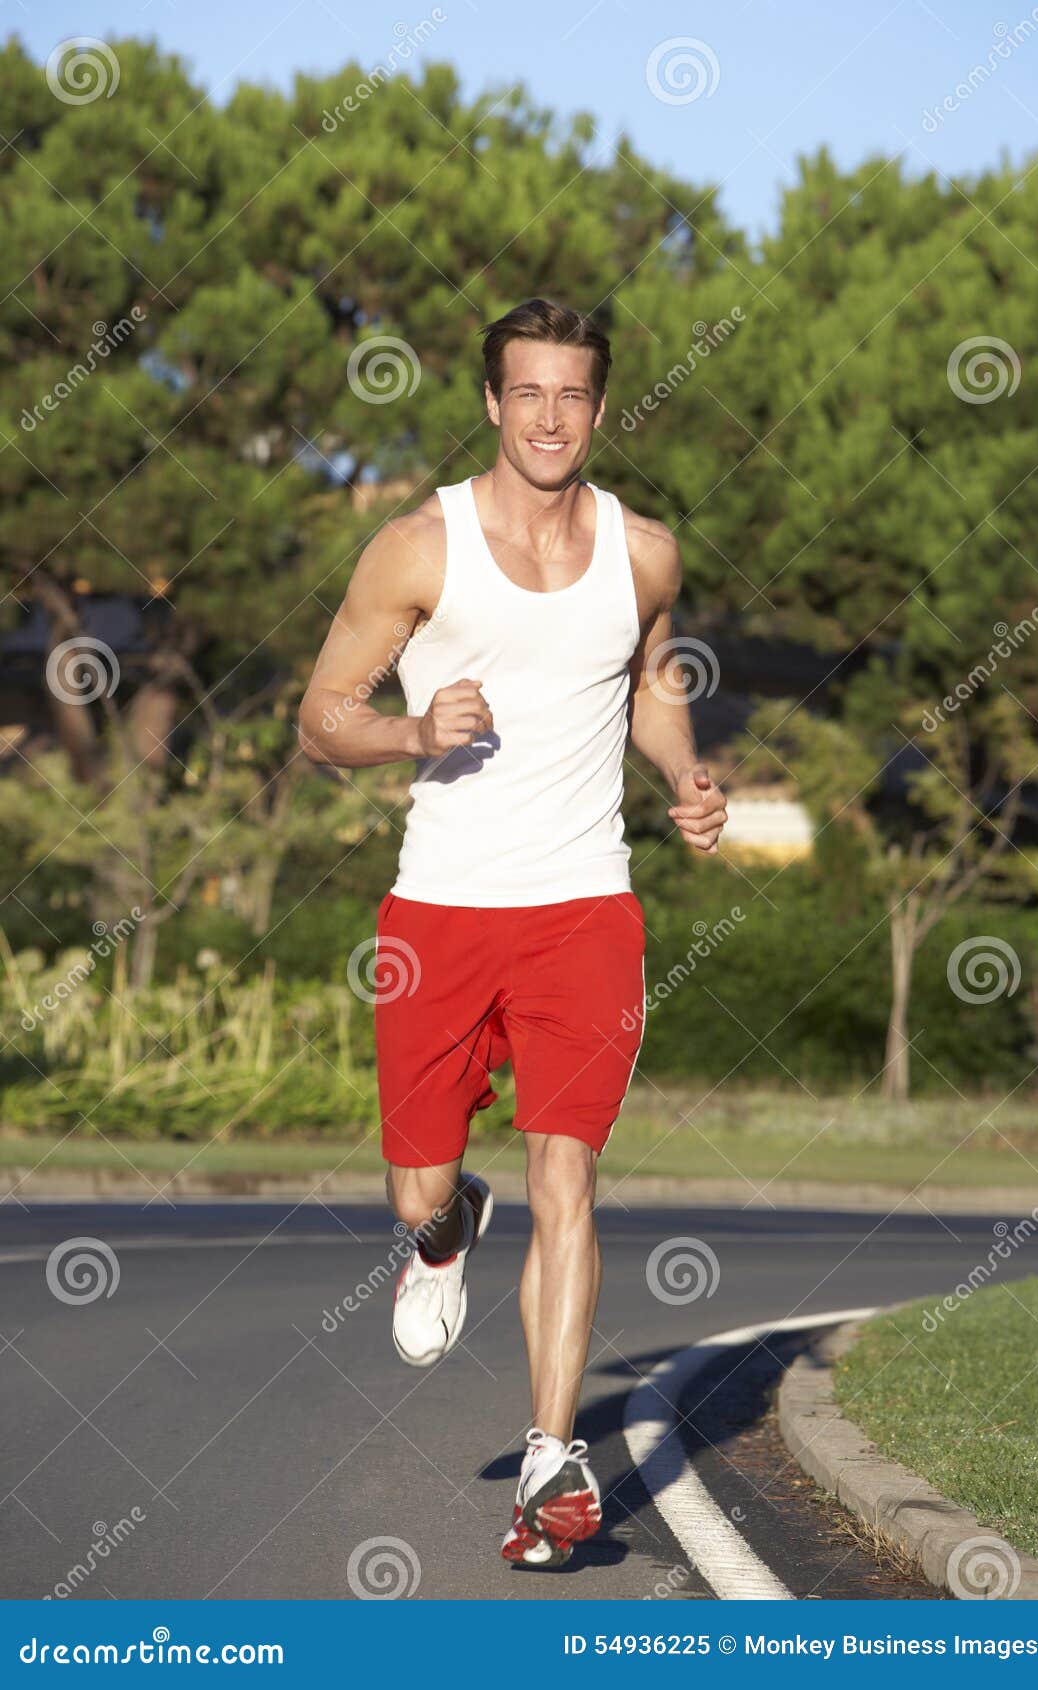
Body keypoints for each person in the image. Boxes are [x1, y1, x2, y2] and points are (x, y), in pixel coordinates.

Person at [299, 298, 727, 1567]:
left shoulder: (643, 552)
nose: (550, 418)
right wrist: (411, 732)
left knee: (570, 1174)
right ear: (492, 402)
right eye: (526, 393)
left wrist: (684, 776)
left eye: (573, 395)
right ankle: (443, 1225)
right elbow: (321, 716)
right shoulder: (416, 548)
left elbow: (648, 683)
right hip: (439, 908)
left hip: (582, 906)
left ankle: (549, 1463)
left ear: (600, 406)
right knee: (419, 1183)